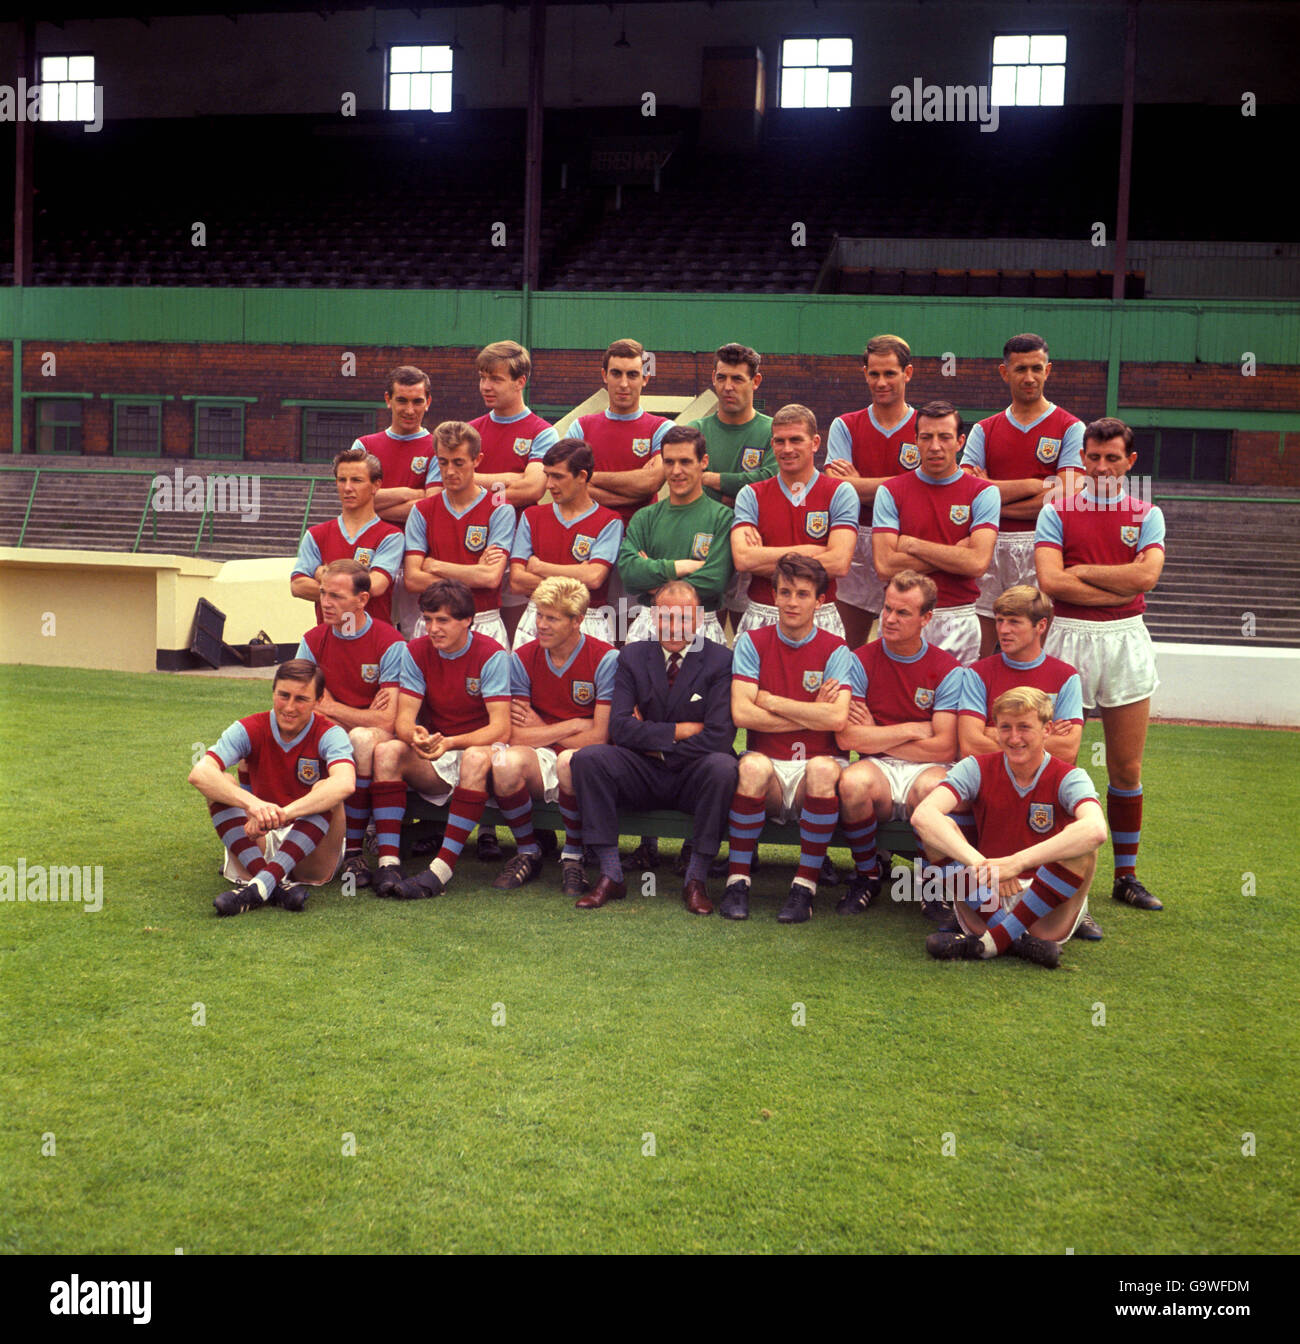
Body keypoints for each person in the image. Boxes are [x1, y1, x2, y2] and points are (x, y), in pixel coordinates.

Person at [1035, 416, 1167, 913]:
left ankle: (1125, 876)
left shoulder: (1147, 513)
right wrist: (1119, 582)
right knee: (1058, 762)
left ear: (1130, 462)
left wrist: (1085, 570)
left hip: (1125, 640)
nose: (1102, 467)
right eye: (1093, 457)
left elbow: (1146, 579)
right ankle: (1057, 879)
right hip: (1066, 637)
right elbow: (1052, 582)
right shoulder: (1057, 510)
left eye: (1113, 458)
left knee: (1126, 767)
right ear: (1082, 458)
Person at [571, 581, 738, 915]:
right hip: (642, 772)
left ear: (698, 619)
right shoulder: (632, 656)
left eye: (683, 617)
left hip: (692, 774)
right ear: (653, 618)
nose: (674, 627)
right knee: (589, 759)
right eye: (665, 617)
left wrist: (655, 744)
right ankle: (610, 873)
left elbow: (719, 737)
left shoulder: (720, 660)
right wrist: (679, 731)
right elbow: (620, 727)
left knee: (723, 766)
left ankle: (696, 878)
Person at [911, 687, 1108, 969]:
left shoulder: (1070, 776)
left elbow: (1096, 830)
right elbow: (923, 816)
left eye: (1024, 727)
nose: (1014, 738)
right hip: (985, 896)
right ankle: (1016, 941)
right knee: (938, 829)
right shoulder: (975, 767)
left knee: (1082, 842)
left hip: (1046, 905)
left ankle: (988, 943)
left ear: (1047, 729)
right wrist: (985, 866)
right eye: (1005, 727)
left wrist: (1016, 863)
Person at [722, 554, 853, 925]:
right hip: (770, 770)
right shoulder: (751, 642)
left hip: (817, 767)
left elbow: (836, 718)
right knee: (750, 766)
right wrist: (811, 712)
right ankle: (737, 881)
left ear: (820, 601)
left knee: (824, 769)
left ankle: (804, 887)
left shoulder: (836, 649)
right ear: (774, 595)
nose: (792, 602)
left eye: (802, 594)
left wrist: (771, 701)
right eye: (785, 592)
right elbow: (742, 714)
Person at [367, 580, 512, 899]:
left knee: (475, 756)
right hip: (441, 750)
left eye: (443, 620)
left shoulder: (491, 654)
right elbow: (403, 720)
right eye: (428, 619)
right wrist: (414, 734)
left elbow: (500, 729)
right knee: (388, 750)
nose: (433, 628)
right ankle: (388, 863)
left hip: (485, 755)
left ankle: (441, 871)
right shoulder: (416, 650)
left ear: (467, 620)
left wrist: (450, 742)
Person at [481, 577, 619, 903]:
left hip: (586, 759)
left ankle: (573, 855)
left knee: (570, 761)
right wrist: (571, 724)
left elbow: (599, 736)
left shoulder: (605, 658)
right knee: (503, 761)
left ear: (577, 620)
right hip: (543, 752)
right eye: (539, 615)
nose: (541, 625)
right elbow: (515, 734)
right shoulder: (522, 657)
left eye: (552, 618)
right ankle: (528, 851)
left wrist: (542, 728)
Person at [834, 571, 963, 914]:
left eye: (903, 612)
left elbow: (945, 748)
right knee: (852, 783)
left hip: (929, 766)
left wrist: (877, 735)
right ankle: (867, 875)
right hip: (878, 766)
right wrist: (913, 728)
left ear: (926, 618)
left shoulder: (948, 669)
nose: (889, 619)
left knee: (935, 789)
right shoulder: (860, 659)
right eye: (887, 608)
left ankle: (930, 885)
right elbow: (847, 737)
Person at [188, 659, 355, 916]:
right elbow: (200, 773)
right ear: (273, 691)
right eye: (283, 695)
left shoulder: (331, 734)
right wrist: (253, 805)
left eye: (301, 699)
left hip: (312, 848)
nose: (289, 707)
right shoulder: (250, 727)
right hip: (261, 840)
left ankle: (259, 884)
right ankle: (269, 885)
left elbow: (345, 783)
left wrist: (283, 814)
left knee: (327, 788)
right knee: (221, 783)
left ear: (319, 700)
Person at [962, 334, 1084, 657]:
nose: (1029, 377)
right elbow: (966, 493)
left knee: (1037, 647)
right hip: (989, 543)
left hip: (1044, 544)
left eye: (1036, 368)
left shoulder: (1071, 427)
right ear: (1005, 372)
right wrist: (1034, 485)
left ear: (1048, 370)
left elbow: (1065, 497)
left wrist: (993, 498)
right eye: (1020, 369)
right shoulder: (984, 429)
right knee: (981, 649)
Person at [295, 558, 407, 889]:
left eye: (336, 596)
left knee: (361, 738)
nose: (325, 603)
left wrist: (331, 707)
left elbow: (387, 719)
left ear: (362, 600)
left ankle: (355, 851)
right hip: (329, 732)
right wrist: (349, 713)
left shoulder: (390, 642)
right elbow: (303, 706)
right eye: (323, 593)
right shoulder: (312, 640)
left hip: (374, 738)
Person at [871, 400, 999, 664]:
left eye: (945, 437)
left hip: (957, 619)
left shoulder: (984, 492)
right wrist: (955, 554)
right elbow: (885, 566)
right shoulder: (890, 491)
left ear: (960, 441)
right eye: (927, 437)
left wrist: (913, 545)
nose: (935, 446)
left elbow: (977, 563)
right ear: (916, 441)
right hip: (902, 615)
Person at [825, 333, 921, 647]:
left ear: (907, 373)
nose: (881, 382)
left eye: (890, 373)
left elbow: (928, 492)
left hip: (903, 544)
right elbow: (838, 491)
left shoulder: (925, 427)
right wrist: (904, 484)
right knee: (845, 644)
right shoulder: (844, 425)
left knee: (900, 643)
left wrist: (859, 484)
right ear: (865, 373)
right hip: (854, 539)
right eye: (874, 374)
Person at [730, 404, 858, 639]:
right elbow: (743, 559)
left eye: (796, 440)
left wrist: (764, 557)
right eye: (780, 441)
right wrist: (812, 552)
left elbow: (839, 563)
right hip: (763, 613)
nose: (787, 449)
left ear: (815, 443)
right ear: (772, 444)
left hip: (820, 615)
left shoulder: (840, 492)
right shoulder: (751, 494)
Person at [467, 340, 558, 646]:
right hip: (471, 549)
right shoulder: (469, 431)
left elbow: (531, 488)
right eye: (482, 377)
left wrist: (472, 484)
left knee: (514, 640)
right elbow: (451, 487)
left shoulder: (542, 431)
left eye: (495, 379)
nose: (485, 386)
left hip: (518, 549)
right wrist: (509, 479)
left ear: (521, 381)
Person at [685, 342, 777, 635]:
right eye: (721, 377)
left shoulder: (774, 431)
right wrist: (740, 489)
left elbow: (769, 481)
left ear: (755, 381)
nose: (728, 386)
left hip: (756, 543)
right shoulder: (696, 430)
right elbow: (685, 483)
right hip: (705, 544)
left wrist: (711, 479)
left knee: (749, 638)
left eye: (737, 379)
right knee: (703, 638)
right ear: (713, 378)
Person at [403, 420, 515, 649]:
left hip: (483, 620)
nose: (450, 471)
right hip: (434, 623)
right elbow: (413, 580)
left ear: (477, 460)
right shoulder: (422, 510)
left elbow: (490, 578)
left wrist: (435, 565)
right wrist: (473, 573)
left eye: (458, 462)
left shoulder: (500, 508)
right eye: (443, 462)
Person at [618, 425, 734, 645]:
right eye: (669, 462)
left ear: (704, 462)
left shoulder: (722, 518)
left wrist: (653, 584)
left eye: (685, 462)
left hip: (700, 626)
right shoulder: (645, 517)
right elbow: (629, 573)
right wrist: (680, 567)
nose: (676, 471)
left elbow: (714, 581)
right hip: (650, 623)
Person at [509, 439, 623, 648]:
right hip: (537, 616)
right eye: (547, 475)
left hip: (586, 619)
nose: (549, 484)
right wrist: (578, 575)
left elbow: (594, 578)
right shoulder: (532, 516)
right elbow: (516, 582)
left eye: (558, 476)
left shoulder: (609, 521)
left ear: (582, 476)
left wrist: (540, 567)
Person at [290, 447, 403, 628]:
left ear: (376, 485)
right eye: (342, 480)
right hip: (329, 638)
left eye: (356, 480)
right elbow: (297, 586)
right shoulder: (316, 535)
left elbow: (376, 586)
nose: (348, 488)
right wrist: (354, 589)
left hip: (374, 639)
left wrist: (324, 575)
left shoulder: (390, 536)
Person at [355, 365, 437, 525]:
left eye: (417, 402)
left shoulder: (438, 449)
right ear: (388, 400)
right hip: (369, 540)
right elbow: (355, 497)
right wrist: (410, 494)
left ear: (428, 402)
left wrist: (371, 508)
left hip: (415, 541)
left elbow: (432, 507)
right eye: (402, 401)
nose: (410, 410)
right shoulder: (363, 446)